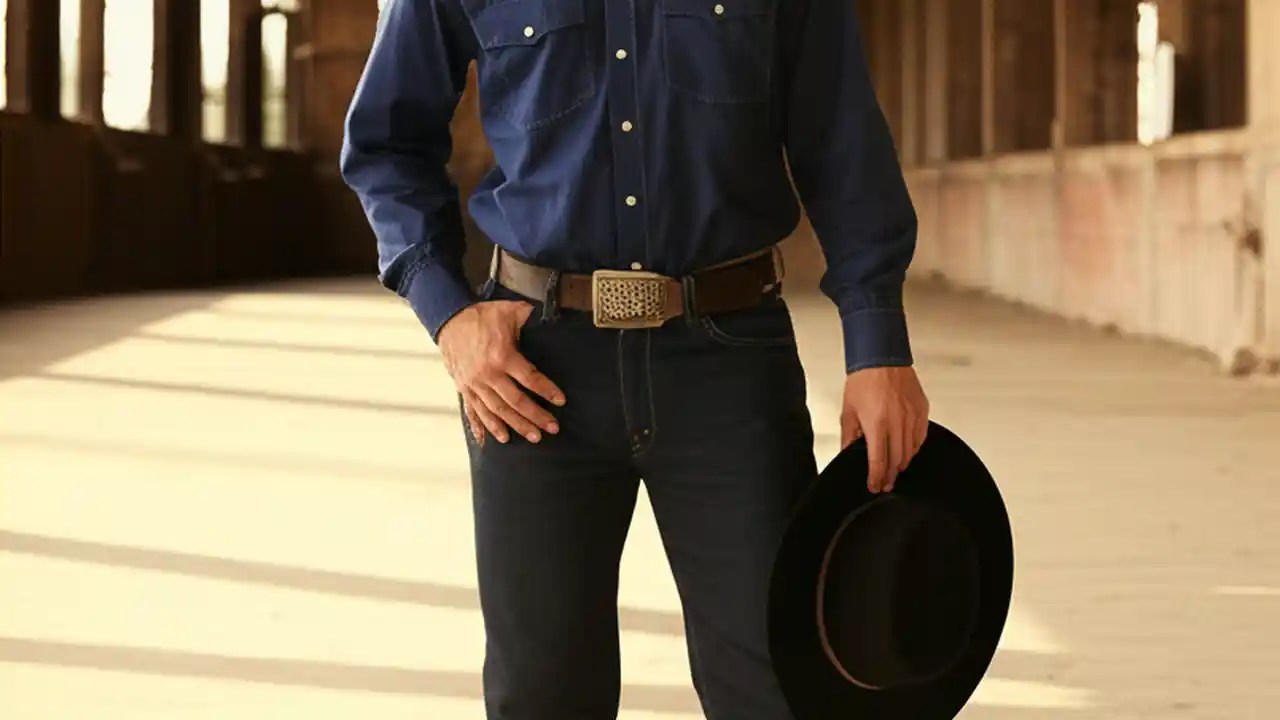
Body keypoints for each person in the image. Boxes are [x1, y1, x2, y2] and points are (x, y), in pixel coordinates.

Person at [341, 0, 930, 717]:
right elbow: (385, 143)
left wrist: (877, 344)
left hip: (730, 363)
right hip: (533, 371)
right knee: (542, 695)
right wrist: (449, 316)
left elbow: (840, 137)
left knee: (781, 683)